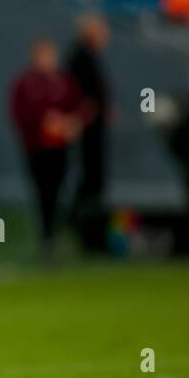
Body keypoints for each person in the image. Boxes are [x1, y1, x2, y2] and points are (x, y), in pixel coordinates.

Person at [9, 38, 82, 258]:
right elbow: (19, 113)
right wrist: (42, 125)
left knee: (60, 189)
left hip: (60, 147)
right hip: (36, 148)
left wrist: (70, 124)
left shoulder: (64, 81)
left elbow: (80, 108)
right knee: (42, 192)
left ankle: (55, 234)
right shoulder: (26, 83)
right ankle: (46, 237)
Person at [65, 15, 111, 252]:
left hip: (95, 129)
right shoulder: (80, 57)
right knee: (89, 180)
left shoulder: (90, 56)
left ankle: (89, 231)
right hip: (87, 131)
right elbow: (76, 93)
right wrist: (85, 113)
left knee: (94, 181)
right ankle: (81, 230)